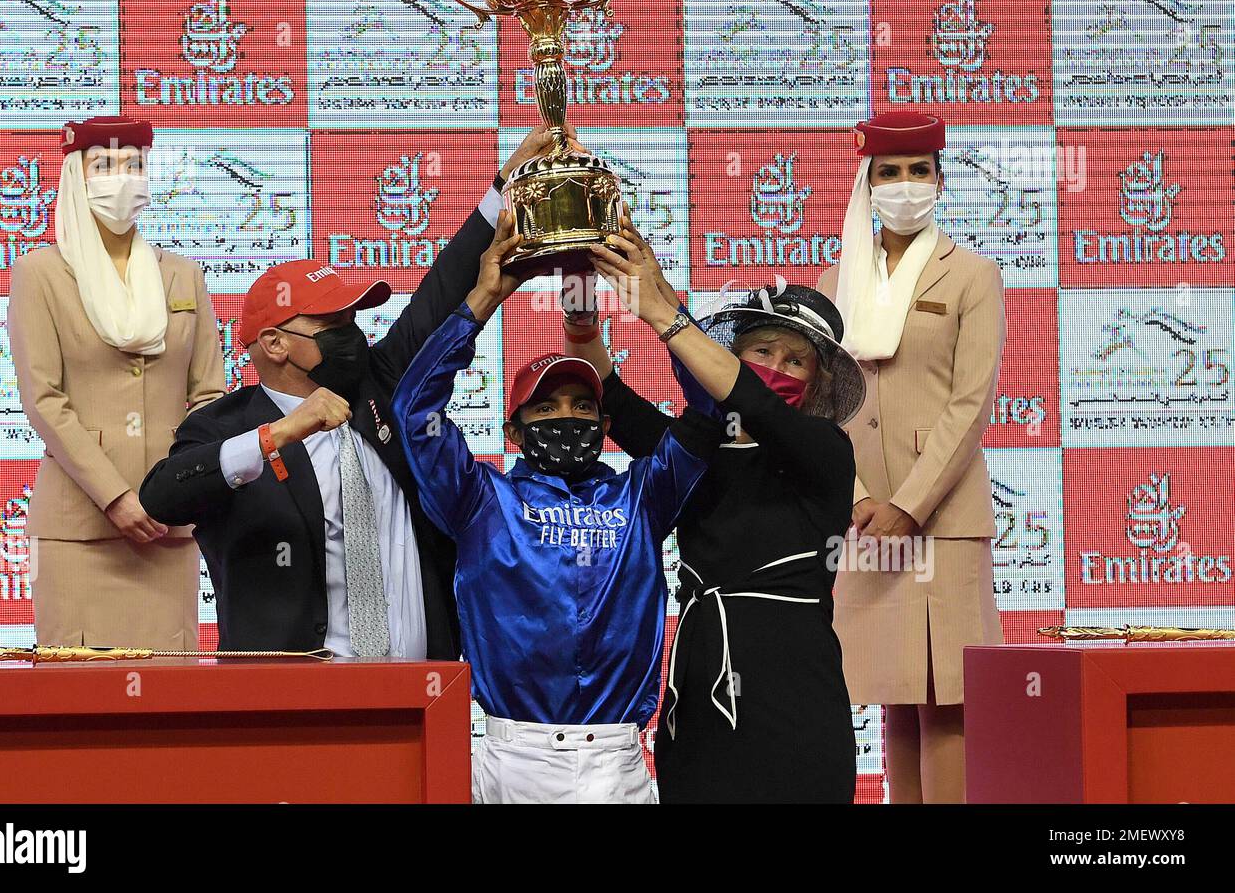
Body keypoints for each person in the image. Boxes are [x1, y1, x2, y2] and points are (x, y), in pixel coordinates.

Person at [139, 127, 562, 657]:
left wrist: (506, 184)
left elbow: (443, 289)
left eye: (353, 319)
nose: (352, 335)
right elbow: (160, 496)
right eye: (331, 325)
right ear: (274, 344)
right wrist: (278, 434)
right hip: (294, 707)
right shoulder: (225, 425)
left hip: (420, 692)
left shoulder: (382, 382)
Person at [391, 212, 737, 804]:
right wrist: (482, 298)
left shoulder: (644, 494)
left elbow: (714, 409)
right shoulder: (479, 498)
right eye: (545, 411)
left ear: (606, 426)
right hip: (509, 758)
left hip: (619, 761)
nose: (566, 419)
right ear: (515, 433)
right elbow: (413, 409)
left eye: (581, 407)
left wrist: (657, 303)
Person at [567, 215, 866, 803]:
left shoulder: (825, 449)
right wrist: (581, 299)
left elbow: (753, 403)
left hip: (792, 687)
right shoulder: (694, 446)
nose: (775, 367)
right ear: (733, 353)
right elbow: (608, 392)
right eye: (761, 349)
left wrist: (662, 309)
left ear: (816, 381)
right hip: (697, 676)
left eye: (795, 359)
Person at [815, 109, 1006, 804]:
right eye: (889, 173)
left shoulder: (973, 276)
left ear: (939, 180)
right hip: (867, 518)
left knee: (948, 698)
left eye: (917, 171)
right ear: (868, 183)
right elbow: (824, 401)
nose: (904, 185)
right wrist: (862, 497)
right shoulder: (842, 277)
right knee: (894, 692)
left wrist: (909, 504)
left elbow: (970, 405)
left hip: (943, 516)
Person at [8, 115, 226, 650]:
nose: (122, 179)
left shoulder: (182, 275)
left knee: (166, 703)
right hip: (80, 530)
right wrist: (115, 496)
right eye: (104, 166)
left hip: (167, 529)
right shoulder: (39, 274)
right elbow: (45, 401)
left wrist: (180, 487)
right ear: (75, 179)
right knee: (79, 705)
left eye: (135, 165)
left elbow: (209, 396)